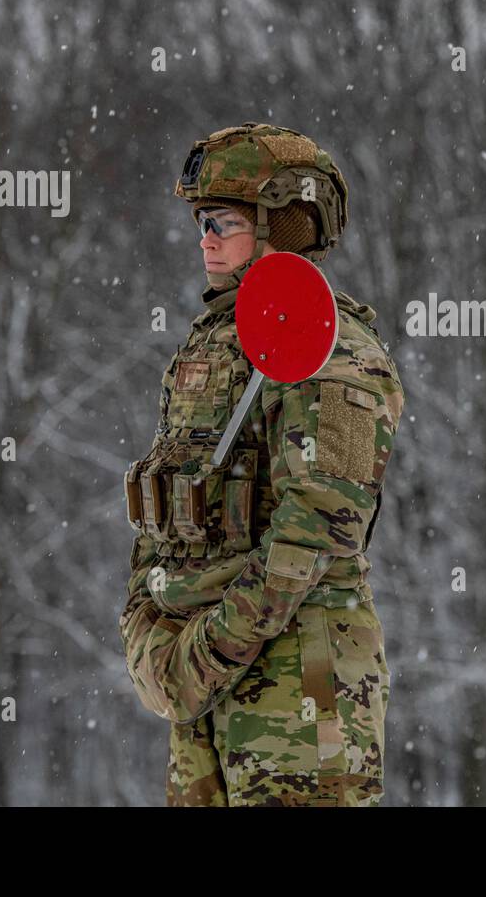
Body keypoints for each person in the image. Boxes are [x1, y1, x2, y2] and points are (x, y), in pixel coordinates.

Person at [118, 123, 405, 806]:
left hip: (299, 682)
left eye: (222, 221)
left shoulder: (328, 345)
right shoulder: (219, 340)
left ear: (286, 222)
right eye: (200, 222)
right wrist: (148, 627)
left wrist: (207, 652)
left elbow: (318, 526)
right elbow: (173, 507)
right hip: (207, 682)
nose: (204, 238)